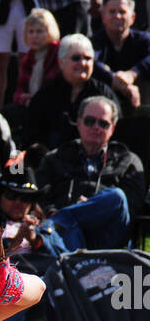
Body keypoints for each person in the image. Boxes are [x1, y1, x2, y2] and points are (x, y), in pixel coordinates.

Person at [34, 95, 144, 249]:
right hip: (66, 237)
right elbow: (41, 194)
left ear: (112, 129)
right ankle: (61, 222)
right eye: (90, 121)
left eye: (103, 123)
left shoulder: (128, 161)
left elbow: (131, 205)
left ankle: (61, 220)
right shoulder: (55, 158)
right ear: (78, 123)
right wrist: (54, 211)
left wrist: (93, 207)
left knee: (117, 197)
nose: (96, 127)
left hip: (107, 234)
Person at [23, 34, 119, 152]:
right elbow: (32, 136)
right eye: (76, 58)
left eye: (87, 58)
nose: (83, 63)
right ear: (61, 62)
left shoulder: (104, 94)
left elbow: (118, 133)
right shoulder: (46, 94)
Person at [12, 8, 61, 109]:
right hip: (31, 105)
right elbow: (19, 91)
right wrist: (26, 100)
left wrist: (37, 100)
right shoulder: (27, 59)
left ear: (49, 32)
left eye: (39, 31)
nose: (34, 36)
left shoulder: (58, 53)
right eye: (30, 32)